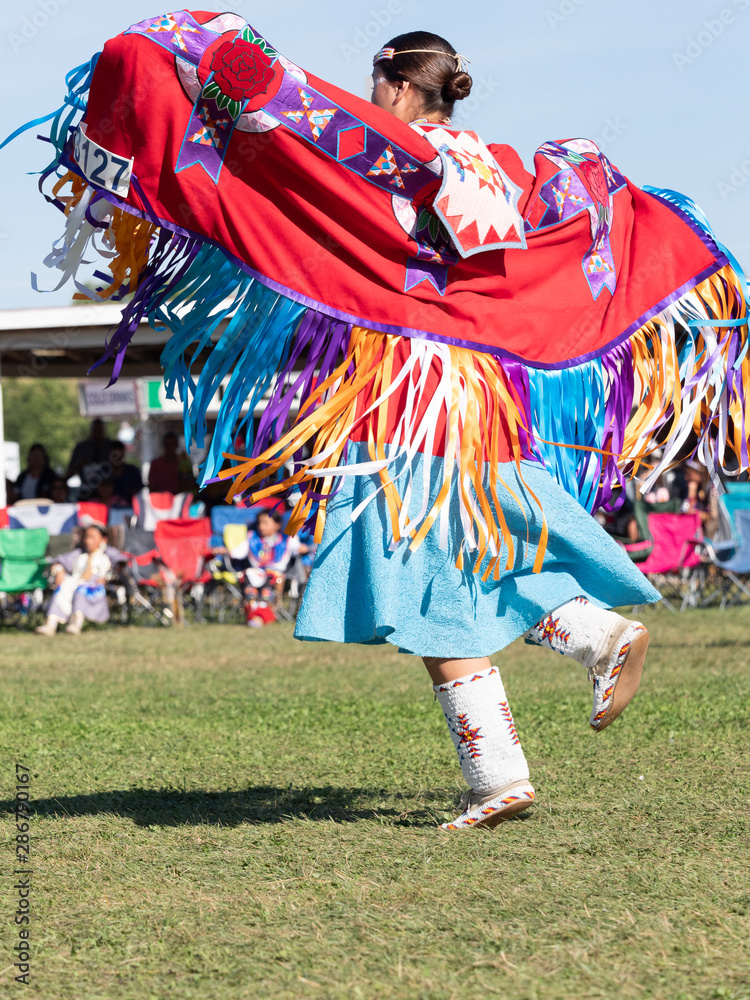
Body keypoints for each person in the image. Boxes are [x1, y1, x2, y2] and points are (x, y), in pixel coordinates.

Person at [11, 13, 750, 830]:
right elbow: (565, 212)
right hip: (483, 391)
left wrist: (190, 55)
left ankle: (506, 764)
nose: (370, 100)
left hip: (412, 392)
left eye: (376, 88)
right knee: (470, 556)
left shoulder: (397, 153)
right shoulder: (502, 167)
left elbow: (289, 121)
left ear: (398, 86)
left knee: (413, 570)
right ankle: (587, 644)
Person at [35, 523, 125, 635]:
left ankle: (76, 624)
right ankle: (50, 624)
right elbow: (59, 560)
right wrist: (59, 570)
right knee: (63, 587)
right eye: (87, 537)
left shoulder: (107, 553)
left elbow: (121, 562)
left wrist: (107, 578)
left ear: (103, 539)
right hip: (75, 582)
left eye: (93, 537)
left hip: (94, 587)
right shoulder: (79, 553)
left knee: (81, 589)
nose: (88, 541)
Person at [67, 419, 115, 500]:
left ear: (104, 431)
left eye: (99, 431)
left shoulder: (111, 447)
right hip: (86, 493)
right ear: (91, 431)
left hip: (107, 496)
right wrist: (80, 464)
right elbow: (69, 472)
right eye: (95, 431)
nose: (97, 434)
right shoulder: (81, 448)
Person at [109, 441, 143, 507]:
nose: (117, 458)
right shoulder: (104, 471)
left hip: (129, 508)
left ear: (123, 453)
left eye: (119, 455)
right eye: (114, 455)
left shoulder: (133, 471)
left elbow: (136, 493)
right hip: (106, 509)